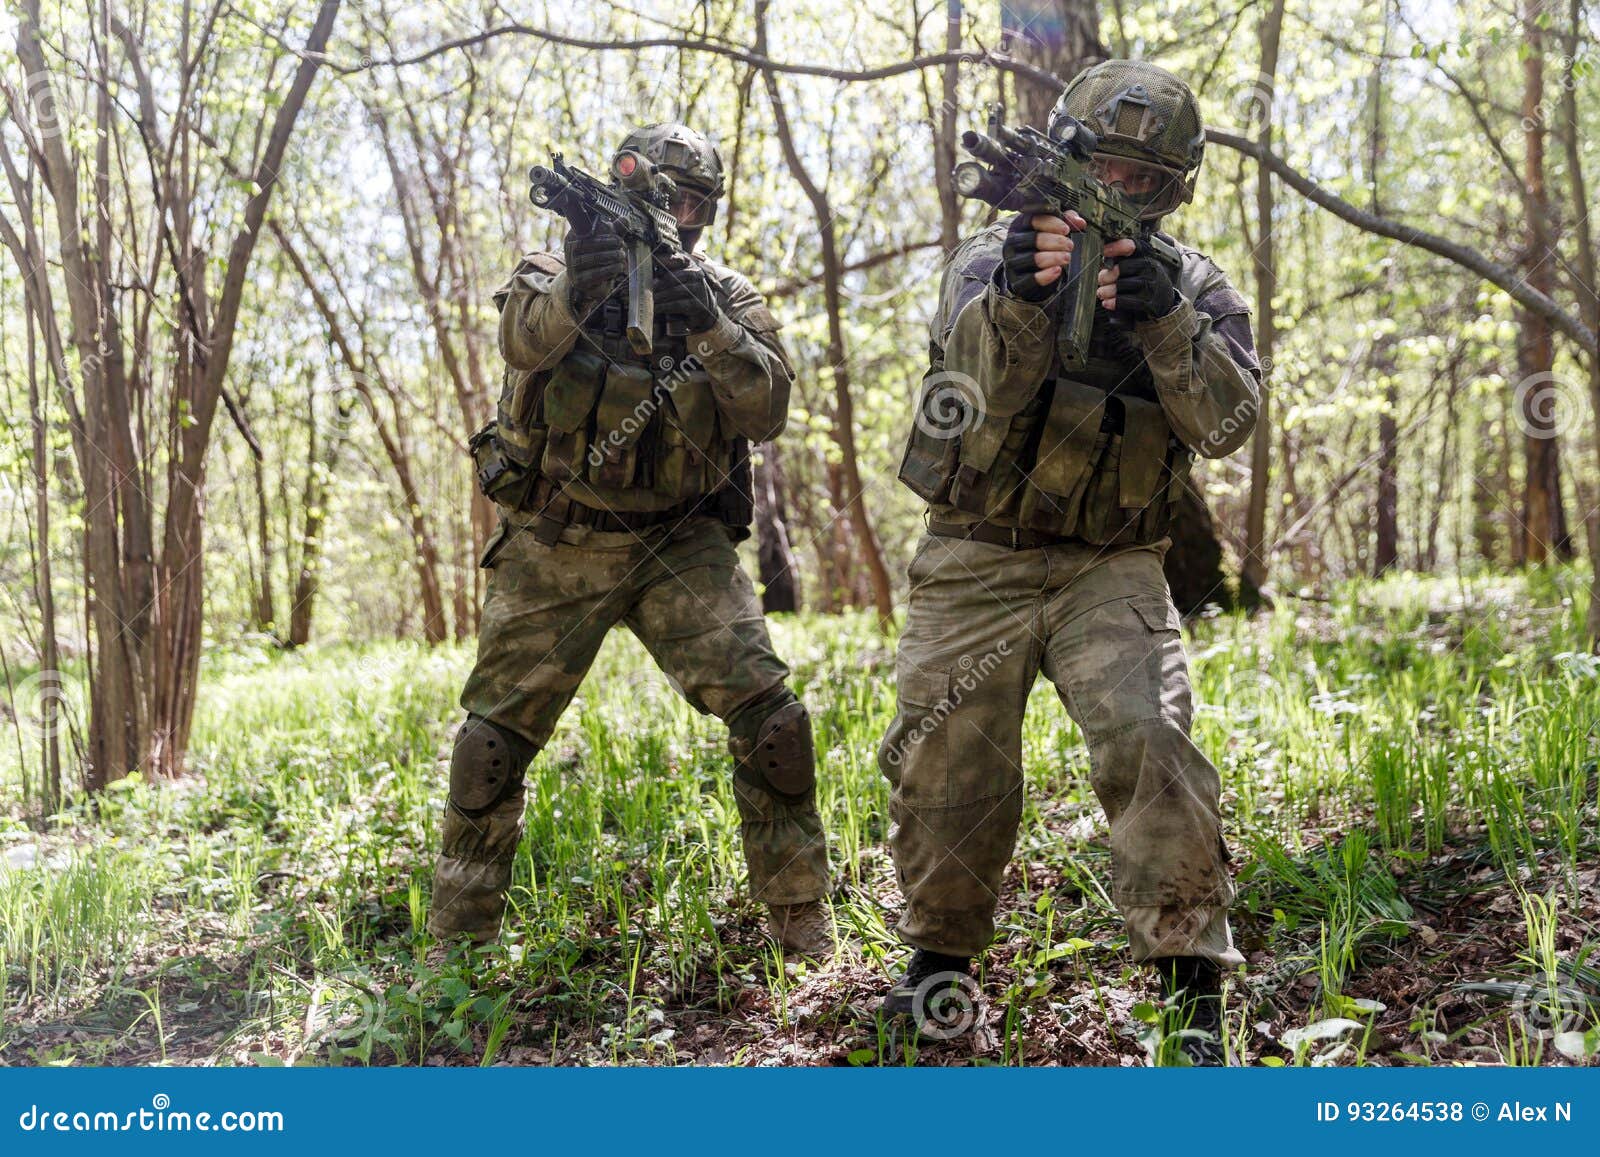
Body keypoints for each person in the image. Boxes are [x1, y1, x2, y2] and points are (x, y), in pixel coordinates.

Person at [879, 61, 1261, 1063]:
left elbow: (1225, 424)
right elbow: (958, 415)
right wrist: (1018, 293)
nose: (1123, 193)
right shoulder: (984, 261)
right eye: (1107, 171)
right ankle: (938, 971)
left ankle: (1190, 987)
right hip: (975, 552)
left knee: (1151, 746)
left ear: (1175, 186)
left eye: (1147, 178)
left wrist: (1164, 314)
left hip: (1112, 564)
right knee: (946, 761)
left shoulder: (1198, 285)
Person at [429, 123, 832, 957]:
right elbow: (519, 341)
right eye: (662, 195)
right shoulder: (557, 267)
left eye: (691, 203)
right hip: (557, 538)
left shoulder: (728, 292)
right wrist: (583, 287)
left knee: (775, 725)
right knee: (490, 748)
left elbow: (768, 411)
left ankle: (801, 929)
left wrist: (711, 327)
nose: (675, 214)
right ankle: (457, 950)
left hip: (681, 545)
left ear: (706, 215)